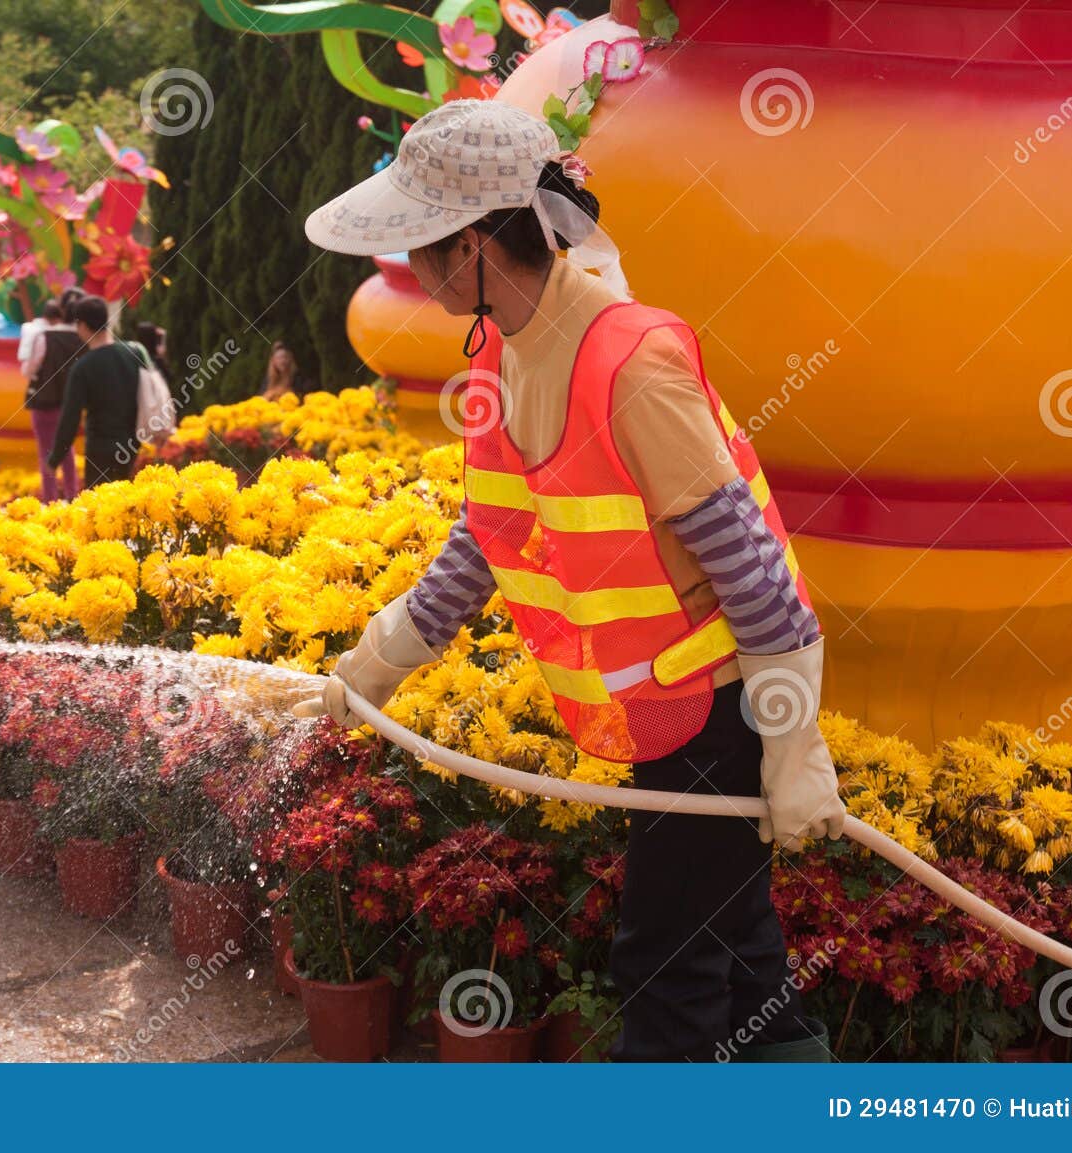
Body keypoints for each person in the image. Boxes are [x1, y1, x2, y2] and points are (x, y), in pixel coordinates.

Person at [295, 100, 845, 1063]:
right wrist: (377, 663)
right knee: (745, 960)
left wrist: (793, 745)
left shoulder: (634, 362)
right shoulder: (509, 359)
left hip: (723, 715)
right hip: (668, 712)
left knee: (667, 971)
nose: (416, 269)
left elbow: (755, 576)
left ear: (471, 246)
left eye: (424, 243)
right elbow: (486, 542)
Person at [49, 295, 140, 490]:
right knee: (129, 507)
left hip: (101, 449)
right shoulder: (132, 354)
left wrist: (55, 458)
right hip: (133, 444)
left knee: (102, 511)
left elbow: (70, 418)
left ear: (82, 325)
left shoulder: (83, 368)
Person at [21, 296, 84, 501]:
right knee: (67, 449)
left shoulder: (44, 337)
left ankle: (50, 498)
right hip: (69, 403)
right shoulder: (80, 338)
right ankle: (72, 493)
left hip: (44, 402)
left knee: (45, 450)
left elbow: (30, 369)